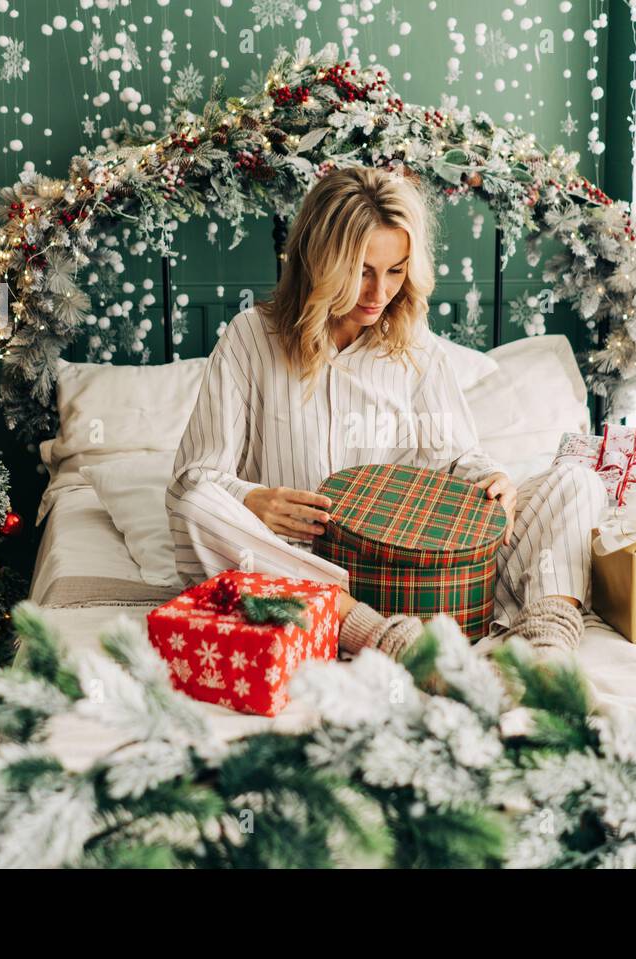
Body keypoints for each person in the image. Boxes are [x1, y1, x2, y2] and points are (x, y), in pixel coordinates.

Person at [165, 166, 606, 662]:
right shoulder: (250, 338)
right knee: (197, 505)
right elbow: (192, 480)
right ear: (318, 261)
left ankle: (544, 649)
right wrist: (251, 500)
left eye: (395, 271)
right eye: (360, 272)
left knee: (577, 483)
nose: (379, 294)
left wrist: (493, 479)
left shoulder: (412, 341)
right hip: (303, 563)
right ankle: (382, 637)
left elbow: (458, 455)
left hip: (424, 568)